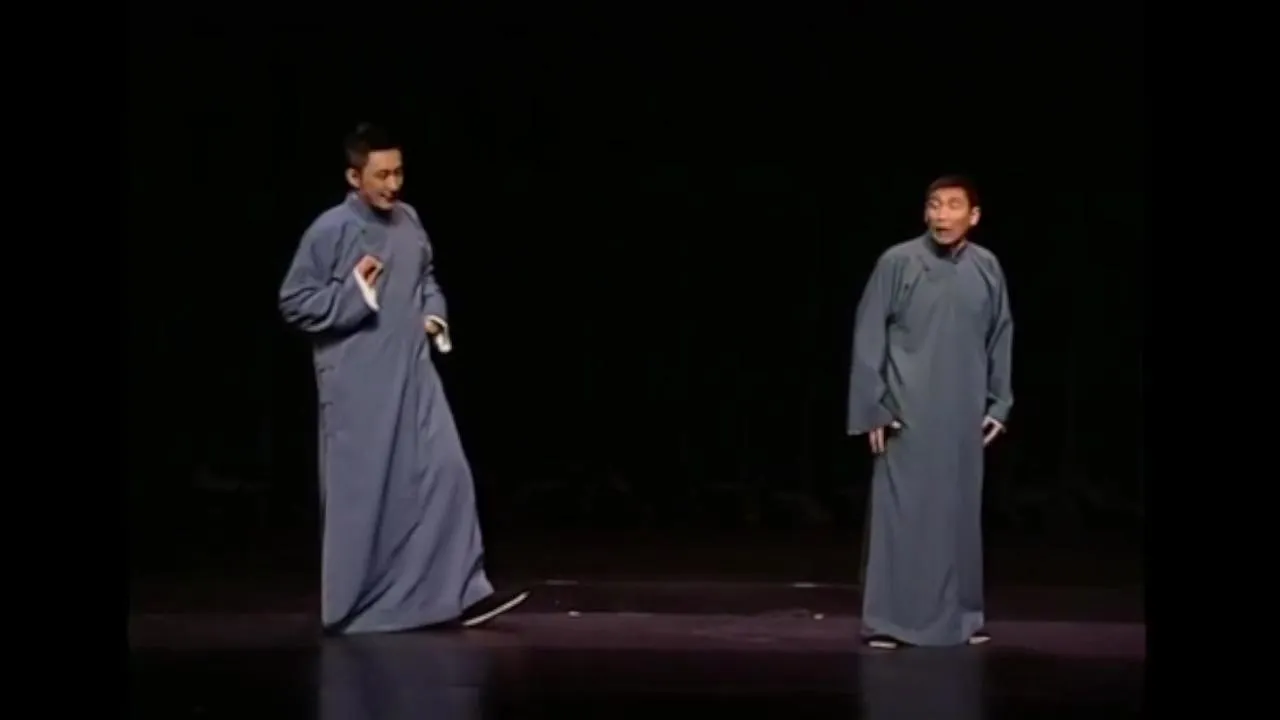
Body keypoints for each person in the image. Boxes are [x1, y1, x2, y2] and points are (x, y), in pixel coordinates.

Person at [278, 123, 529, 634]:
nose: (393, 185)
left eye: (398, 172)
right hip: (358, 386)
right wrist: (355, 296)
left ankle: (462, 593)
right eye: (382, 175)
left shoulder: (409, 220)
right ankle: (356, 608)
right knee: (367, 499)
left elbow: (426, 277)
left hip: (414, 374)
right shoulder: (331, 229)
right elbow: (295, 301)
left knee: (447, 476)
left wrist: (433, 315)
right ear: (354, 177)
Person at [846, 175, 1014, 649]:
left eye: (953, 206)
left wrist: (1000, 401)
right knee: (903, 515)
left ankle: (961, 619)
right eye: (934, 205)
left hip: (962, 411)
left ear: (973, 216)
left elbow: (1001, 333)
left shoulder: (986, 267)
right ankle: (889, 621)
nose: (941, 215)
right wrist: (873, 406)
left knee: (957, 516)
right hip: (908, 411)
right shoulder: (898, 262)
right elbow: (868, 333)